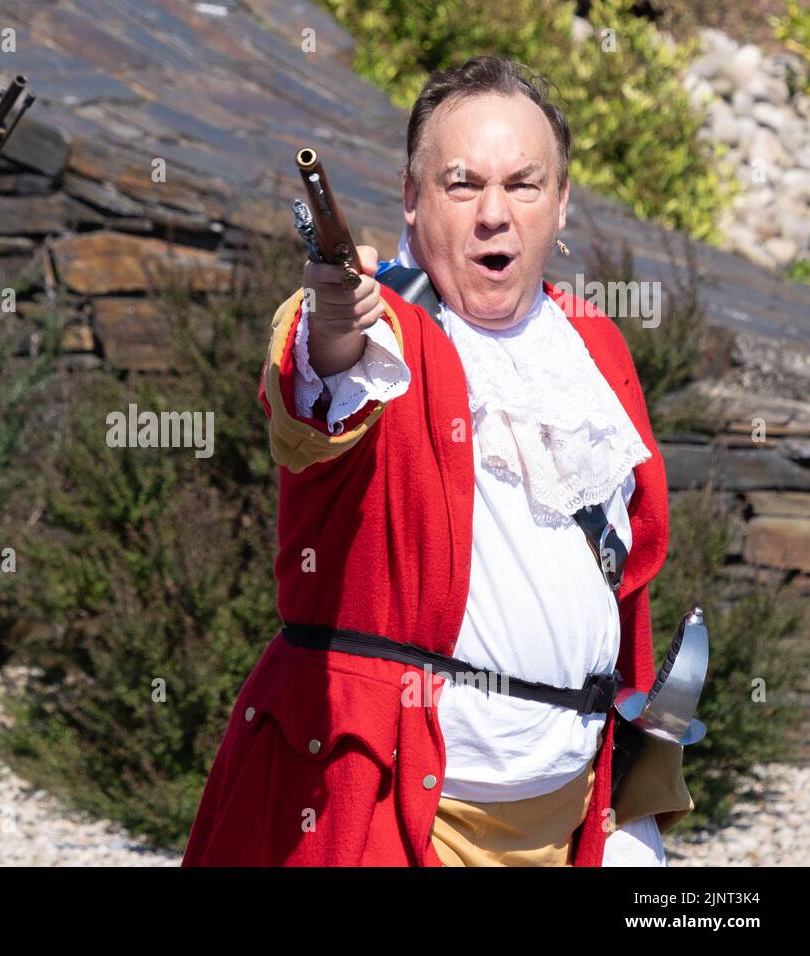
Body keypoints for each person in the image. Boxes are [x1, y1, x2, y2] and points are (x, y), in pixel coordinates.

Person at [183, 55, 693, 867]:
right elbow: (316, 378)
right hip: (389, 806)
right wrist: (332, 315)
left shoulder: (593, 343)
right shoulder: (384, 329)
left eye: (523, 185)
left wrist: (635, 797)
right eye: (462, 185)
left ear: (561, 206)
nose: (494, 214)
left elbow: (624, 577)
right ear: (413, 204)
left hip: (569, 815)